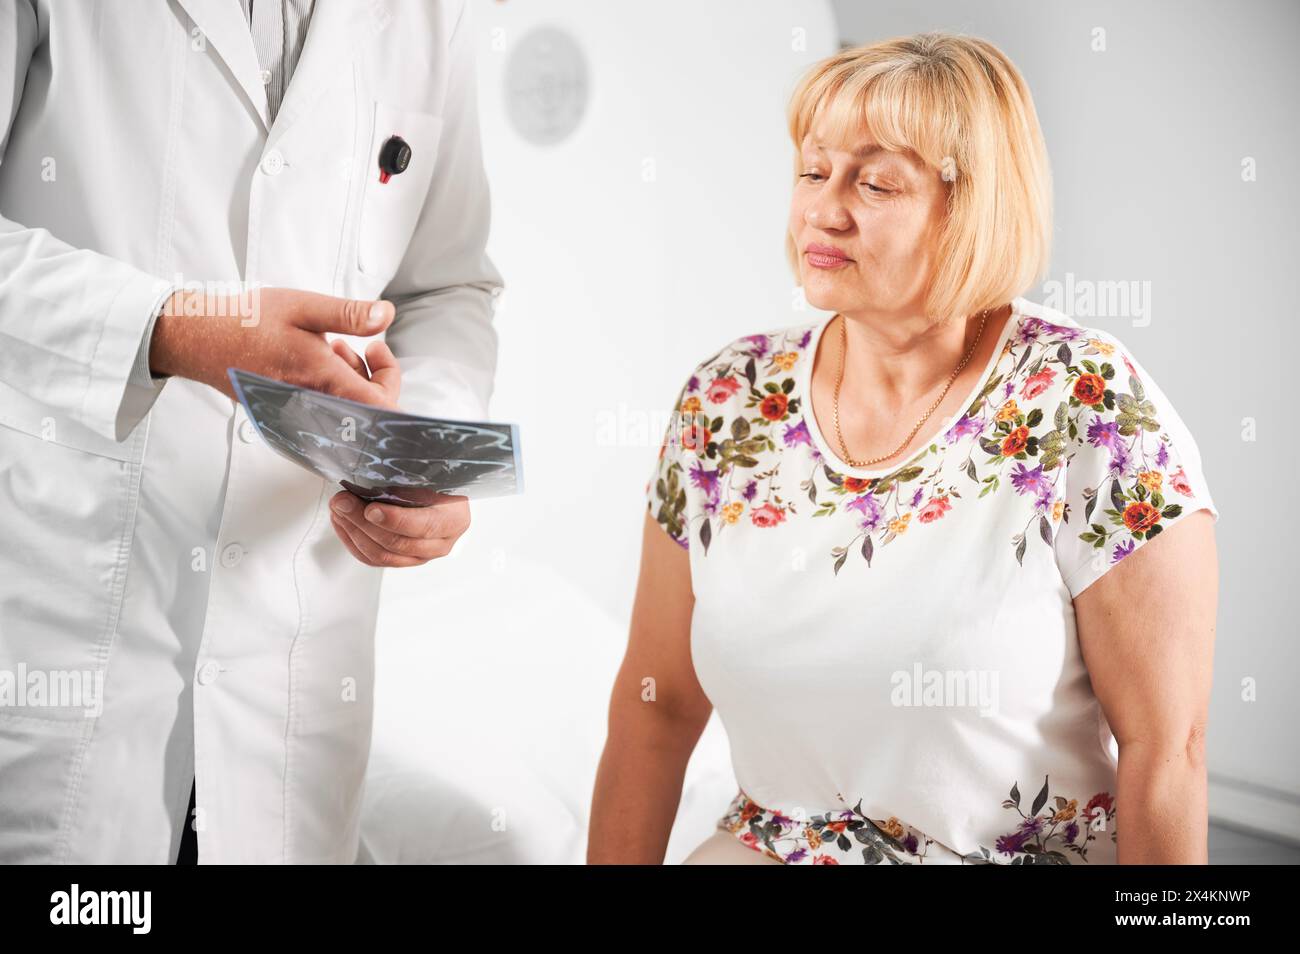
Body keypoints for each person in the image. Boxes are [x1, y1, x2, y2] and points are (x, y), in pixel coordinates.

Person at [589, 31, 1220, 865]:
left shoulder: (1088, 402)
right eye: (813, 171)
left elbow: (1164, 751)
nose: (825, 207)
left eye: (877, 181)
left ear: (972, 206)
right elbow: (659, 703)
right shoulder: (726, 399)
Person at [0, 0, 501, 863]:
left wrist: (425, 450)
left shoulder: (426, 15)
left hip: (299, 635)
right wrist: (176, 328)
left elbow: (446, 287)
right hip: (67, 600)